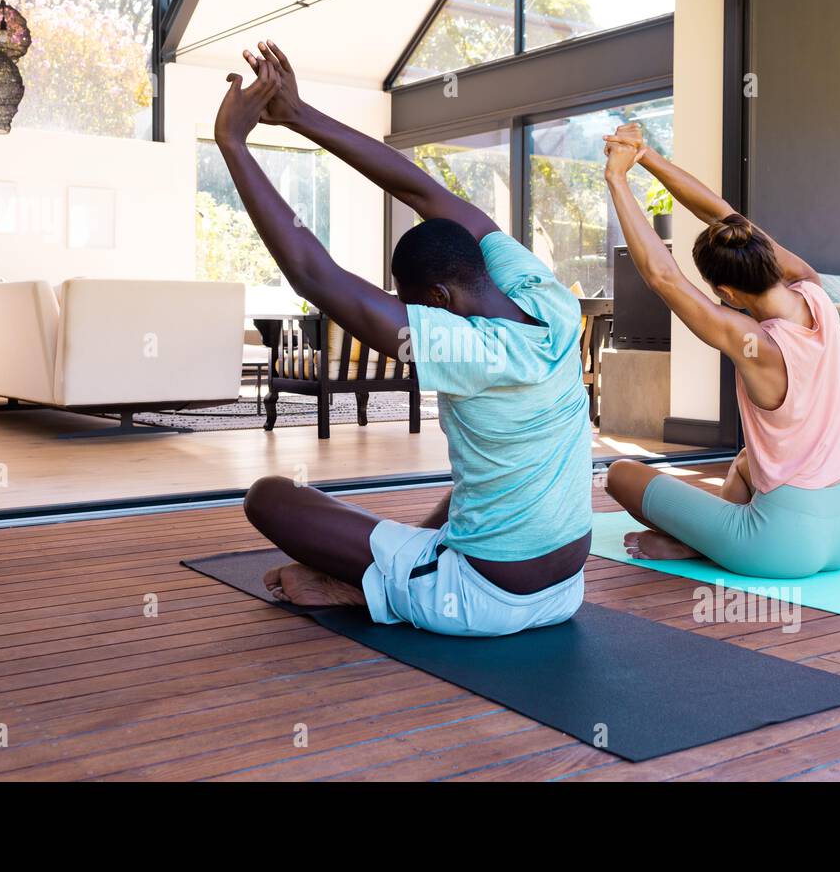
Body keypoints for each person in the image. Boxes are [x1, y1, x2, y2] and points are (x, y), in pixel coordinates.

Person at [213, 42, 592, 635]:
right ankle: (398, 571)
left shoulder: (469, 349)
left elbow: (315, 276)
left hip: (479, 598)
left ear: (439, 300)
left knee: (269, 497)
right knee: (473, 485)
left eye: (414, 308)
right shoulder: (549, 299)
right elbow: (425, 194)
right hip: (565, 590)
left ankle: (372, 588)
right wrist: (297, 114)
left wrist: (233, 144)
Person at [600, 124, 840, 579]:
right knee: (747, 461)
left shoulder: (757, 344)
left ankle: (705, 545)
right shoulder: (815, 292)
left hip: (779, 546)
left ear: (728, 293)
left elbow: (664, 278)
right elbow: (725, 214)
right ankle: (704, 542)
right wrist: (647, 156)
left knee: (621, 473)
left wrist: (617, 179)